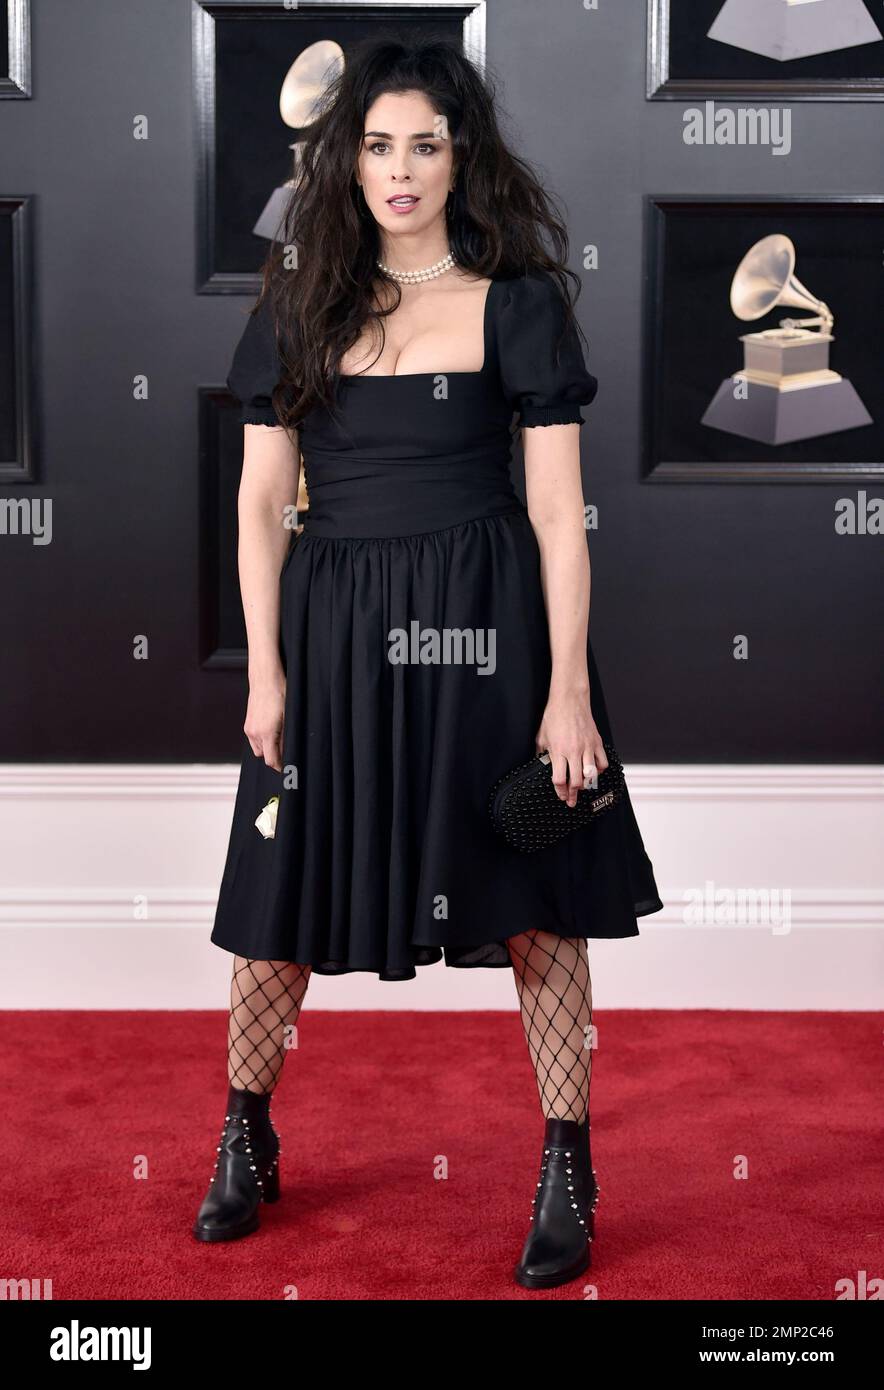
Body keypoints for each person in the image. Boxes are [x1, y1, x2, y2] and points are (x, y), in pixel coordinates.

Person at [192, 34, 662, 1290]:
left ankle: (566, 1158)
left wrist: (565, 689)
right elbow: (256, 506)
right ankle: (246, 1130)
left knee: (539, 911)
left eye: (426, 145)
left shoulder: (514, 299)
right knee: (279, 906)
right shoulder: (298, 301)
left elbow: (558, 512)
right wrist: (265, 673)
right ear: (345, 161)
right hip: (335, 633)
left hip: (492, 630)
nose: (399, 170)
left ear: (461, 160)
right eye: (378, 145)